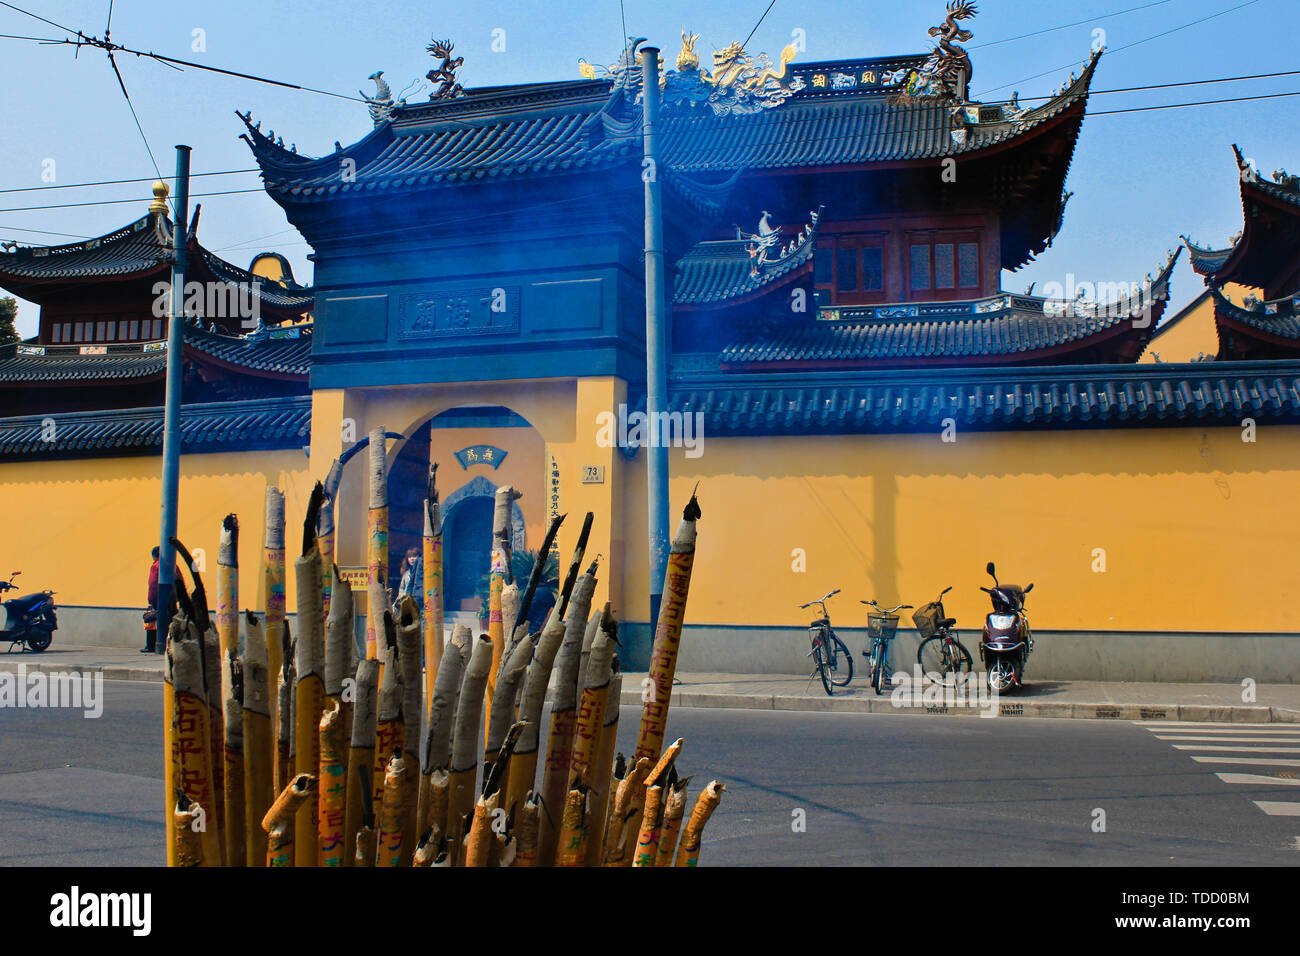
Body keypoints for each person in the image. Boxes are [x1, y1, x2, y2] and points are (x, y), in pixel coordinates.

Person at [142, 547, 161, 653]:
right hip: (170, 598)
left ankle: (150, 645)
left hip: (156, 598)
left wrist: (150, 600)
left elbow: (153, 584)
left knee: (150, 620)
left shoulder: (155, 566)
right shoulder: (172, 564)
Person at [398, 546, 423, 612]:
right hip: (406, 601)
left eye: (414, 556)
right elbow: (402, 588)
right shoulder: (406, 573)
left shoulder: (422, 572)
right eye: (409, 557)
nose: (412, 559)